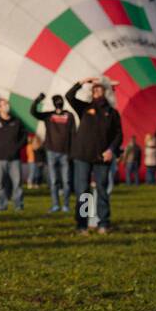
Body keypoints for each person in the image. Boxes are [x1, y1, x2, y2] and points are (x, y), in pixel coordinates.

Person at [67, 77, 122, 235]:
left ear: (105, 91)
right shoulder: (84, 107)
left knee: (102, 189)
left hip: (101, 157)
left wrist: (111, 149)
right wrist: (82, 82)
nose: (96, 91)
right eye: (94, 89)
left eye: (100, 88)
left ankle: (103, 223)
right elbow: (69, 96)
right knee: (83, 191)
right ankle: (82, 225)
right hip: (82, 155)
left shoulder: (112, 113)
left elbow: (118, 135)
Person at [31, 94, 76, 213]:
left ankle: (66, 205)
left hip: (65, 152)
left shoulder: (69, 115)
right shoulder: (48, 115)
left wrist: (72, 151)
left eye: (60, 100)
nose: (58, 102)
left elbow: (73, 133)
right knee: (54, 180)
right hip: (51, 151)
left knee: (66, 181)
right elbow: (33, 112)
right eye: (56, 101)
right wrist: (37, 100)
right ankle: (55, 205)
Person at [0, 98, 29, 212]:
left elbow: (24, 137)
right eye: (4, 104)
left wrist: (17, 148)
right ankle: (1, 205)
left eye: (7, 104)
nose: (7, 106)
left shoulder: (17, 122)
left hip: (14, 159)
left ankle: (18, 205)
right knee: (0, 184)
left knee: (17, 184)